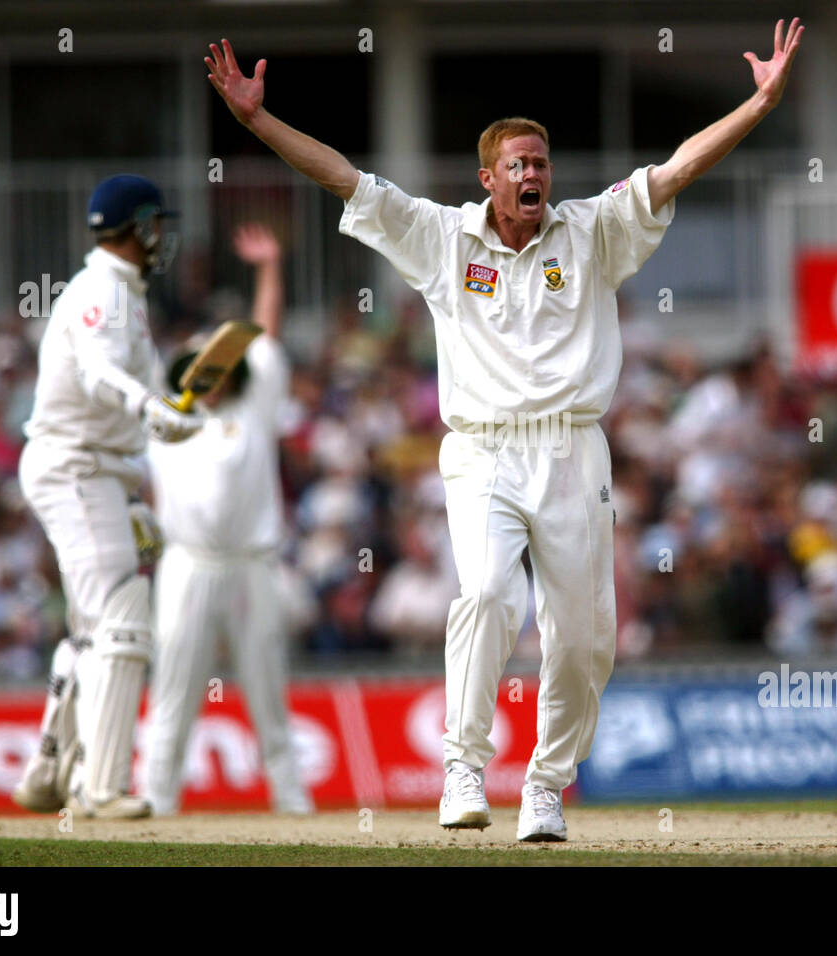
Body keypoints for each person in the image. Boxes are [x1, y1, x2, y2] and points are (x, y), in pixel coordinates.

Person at [205, 18, 803, 841]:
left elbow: (675, 170)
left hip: (572, 449)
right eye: (517, 165)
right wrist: (256, 123)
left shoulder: (591, 229)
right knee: (485, 592)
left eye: (541, 163)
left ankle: (547, 785)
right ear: (488, 178)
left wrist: (757, 106)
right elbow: (346, 179)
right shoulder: (443, 237)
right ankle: (461, 766)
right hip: (482, 448)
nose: (532, 174)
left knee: (585, 636)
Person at [13, 175, 204, 819]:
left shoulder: (125, 292)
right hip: (75, 468)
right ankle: (100, 787)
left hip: (100, 472)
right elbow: (97, 372)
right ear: (140, 227)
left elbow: (126, 387)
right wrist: (148, 405)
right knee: (122, 620)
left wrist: (167, 416)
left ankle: (46, 768)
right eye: (157, 225)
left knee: (93, 627)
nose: (163, 239)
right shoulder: (101, 290)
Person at [140, 223, 314, 816]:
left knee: (267, 686)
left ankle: (291, 800)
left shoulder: (256, 400)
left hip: (254, 564)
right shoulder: (163, 418)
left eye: (221, 365)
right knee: (174, 688)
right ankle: (154, 799)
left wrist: (269, 266)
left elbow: (263, 335)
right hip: (188, 564)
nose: (212, 376)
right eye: (201, 367)